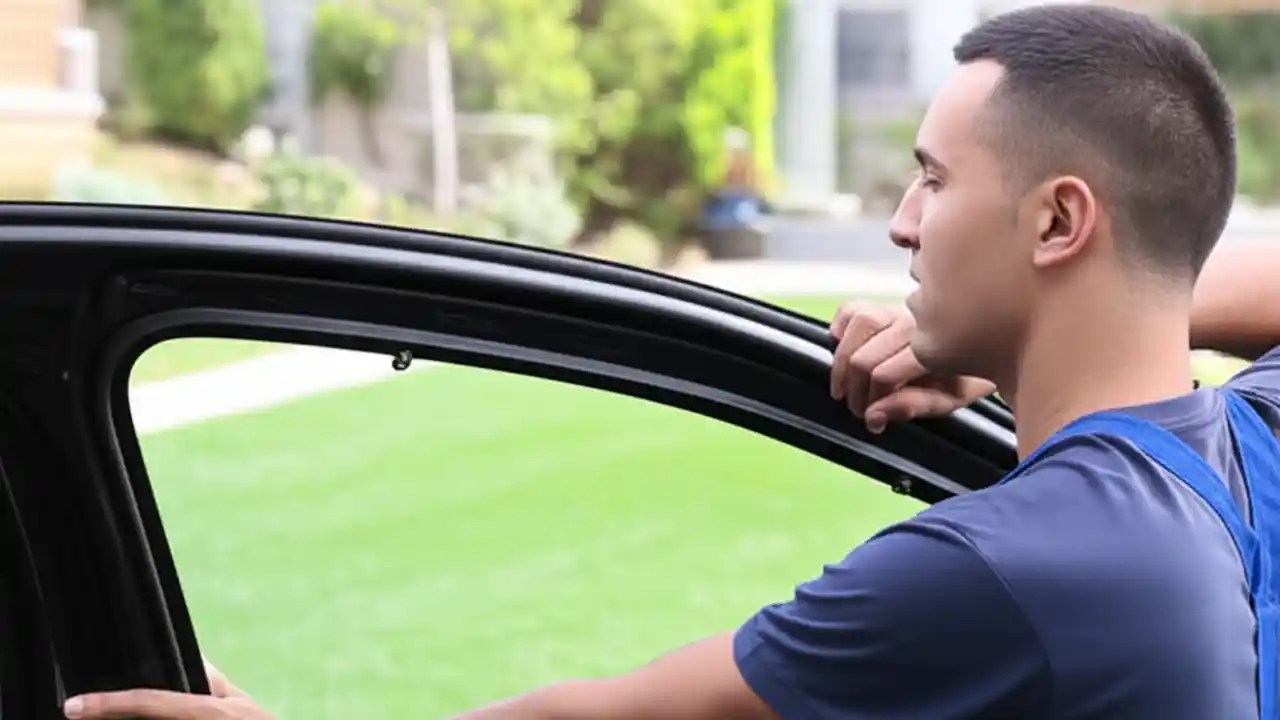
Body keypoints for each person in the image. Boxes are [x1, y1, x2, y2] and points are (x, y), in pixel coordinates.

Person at [61, 4, 1280, 718]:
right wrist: (1044, 332)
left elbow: (616, 717)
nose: (901, 223)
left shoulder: (1029, 566)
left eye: (931, 179)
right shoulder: (1245, 457)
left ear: (1058, 223)